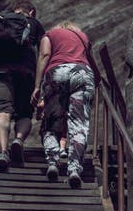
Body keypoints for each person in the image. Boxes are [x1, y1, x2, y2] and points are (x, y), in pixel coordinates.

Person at [0, 1, 44, 171]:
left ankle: (3, 151)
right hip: (26, 73)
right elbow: (43, 53)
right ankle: (18, 140)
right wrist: (39, 83)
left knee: (2, 110)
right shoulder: (34, 23)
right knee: (24, 113)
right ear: (31, 12)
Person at [32, 20, 100, 188]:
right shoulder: (82, 37)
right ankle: (75, 168)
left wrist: (37, 86)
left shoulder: (50, 35)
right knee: (79, 124)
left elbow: (45, 55)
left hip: (57, 73)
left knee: (51, 123)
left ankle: (53, 163)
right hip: (82, 74)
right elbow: (90, 60)